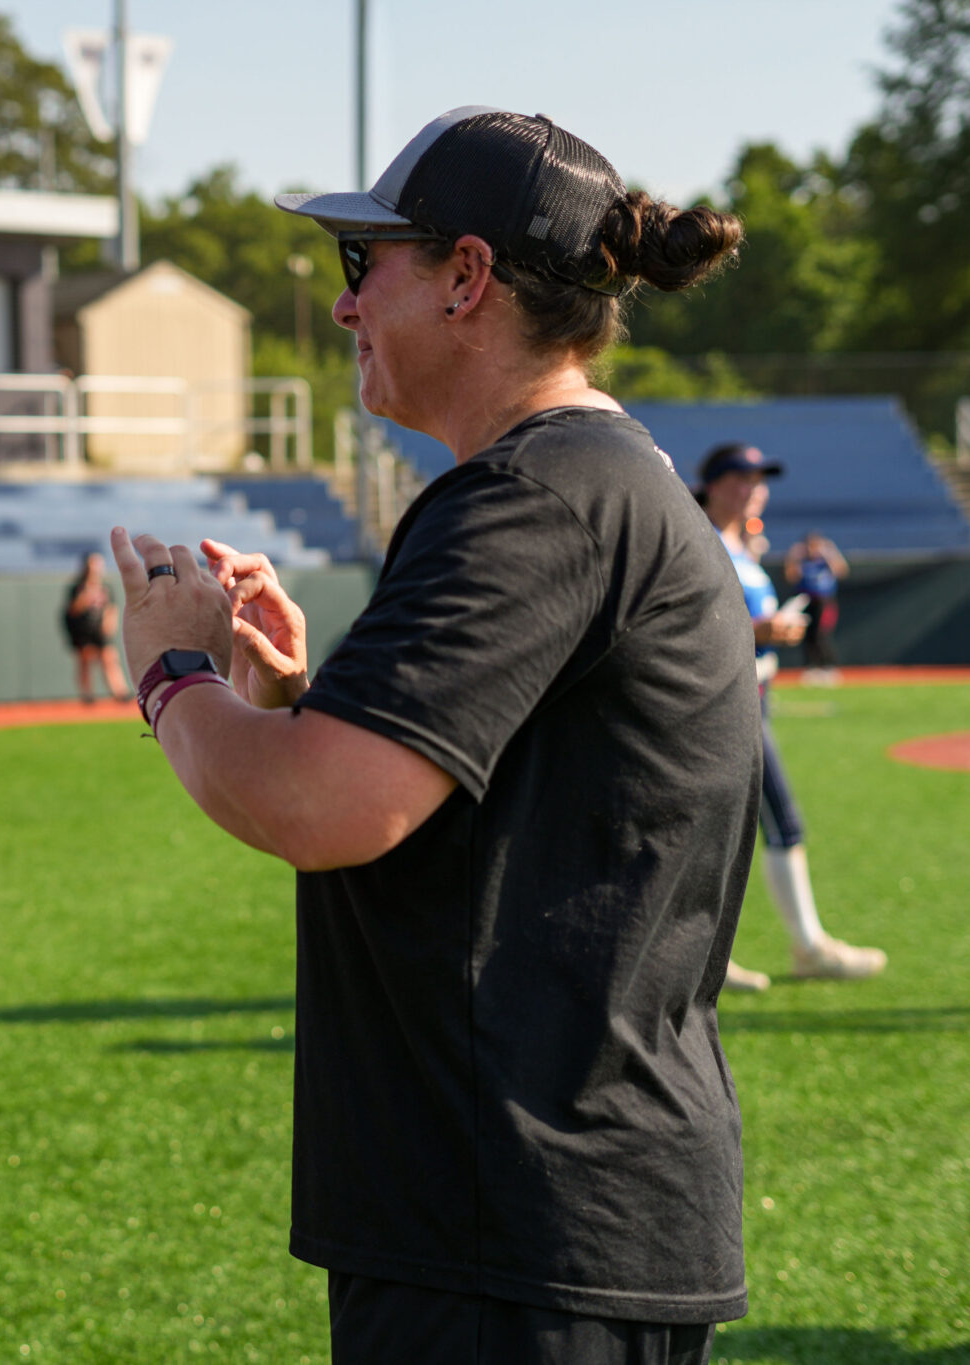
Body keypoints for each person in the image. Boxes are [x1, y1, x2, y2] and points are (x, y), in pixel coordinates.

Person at [112, 106, 752, 1363]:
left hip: (514, 1222)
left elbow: (318, 811)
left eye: (367, 264)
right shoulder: (580, 483)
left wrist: (170, 670)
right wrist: (288, 706)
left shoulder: (530, 498)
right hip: (535, 1213)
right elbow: (437, 822)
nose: (345, 307)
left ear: (466, 276)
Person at [697, 443, 886, 990]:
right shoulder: (701, 538)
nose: (752, 486)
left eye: (758, 478)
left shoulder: (743, 544)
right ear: (711, 483)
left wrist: (771, 629)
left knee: (720, 828)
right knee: (774, 821)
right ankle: (805, 946)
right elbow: (688, 622)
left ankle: (710, 956)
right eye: (739, 476)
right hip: (723, 699)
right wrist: (759, 631)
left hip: (754, 691)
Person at [62, 552, 131, 703]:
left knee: (110, 659)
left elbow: (112, 608)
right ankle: (87, 695)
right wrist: (86, 594)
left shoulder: (105, 587)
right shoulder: (77, 588)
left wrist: (109, 623)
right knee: (85, 661)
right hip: (82, 629)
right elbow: (73, 609)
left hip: (100, 630)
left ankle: (120, 692)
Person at [784, 530, 848, 683]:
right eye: (810, 546)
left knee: (821, 635)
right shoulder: (802, 562)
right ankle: (812, 667)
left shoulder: (825, 562)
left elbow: (842, 571)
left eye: (816, 545)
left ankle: (828, 667)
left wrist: (830, 553)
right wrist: (793, 556)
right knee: (808, 635)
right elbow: (791, 576)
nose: (813, 549)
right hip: (806, 600)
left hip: (823, 602)